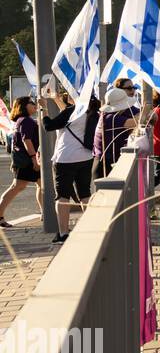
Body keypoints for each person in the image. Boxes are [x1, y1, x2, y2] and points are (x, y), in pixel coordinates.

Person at [42, 90, 100, 241]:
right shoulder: (93, 111)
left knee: (62, 196)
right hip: (86, 157)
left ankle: (63, 233)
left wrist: (43, 110)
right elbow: (65, 115)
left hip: (65, 158)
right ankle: (90, 228)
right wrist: (55, 98)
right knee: (84, 194)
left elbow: (49, 126)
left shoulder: (71, 112)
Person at [0, 97, 41, 229]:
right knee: (17, 187)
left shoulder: (23, 120)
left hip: (26, 159)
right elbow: (26, 140)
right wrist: (34, 158)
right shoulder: (26, 120)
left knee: (42, 185)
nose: (34, 105)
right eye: (31, 103)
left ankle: (45, 213)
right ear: (24, 106)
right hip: (27, 160)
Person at [94, 84, 140, 179]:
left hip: (106, 160)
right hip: (106, 163)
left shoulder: (109, 114)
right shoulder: (112, 118)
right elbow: (136, 122)